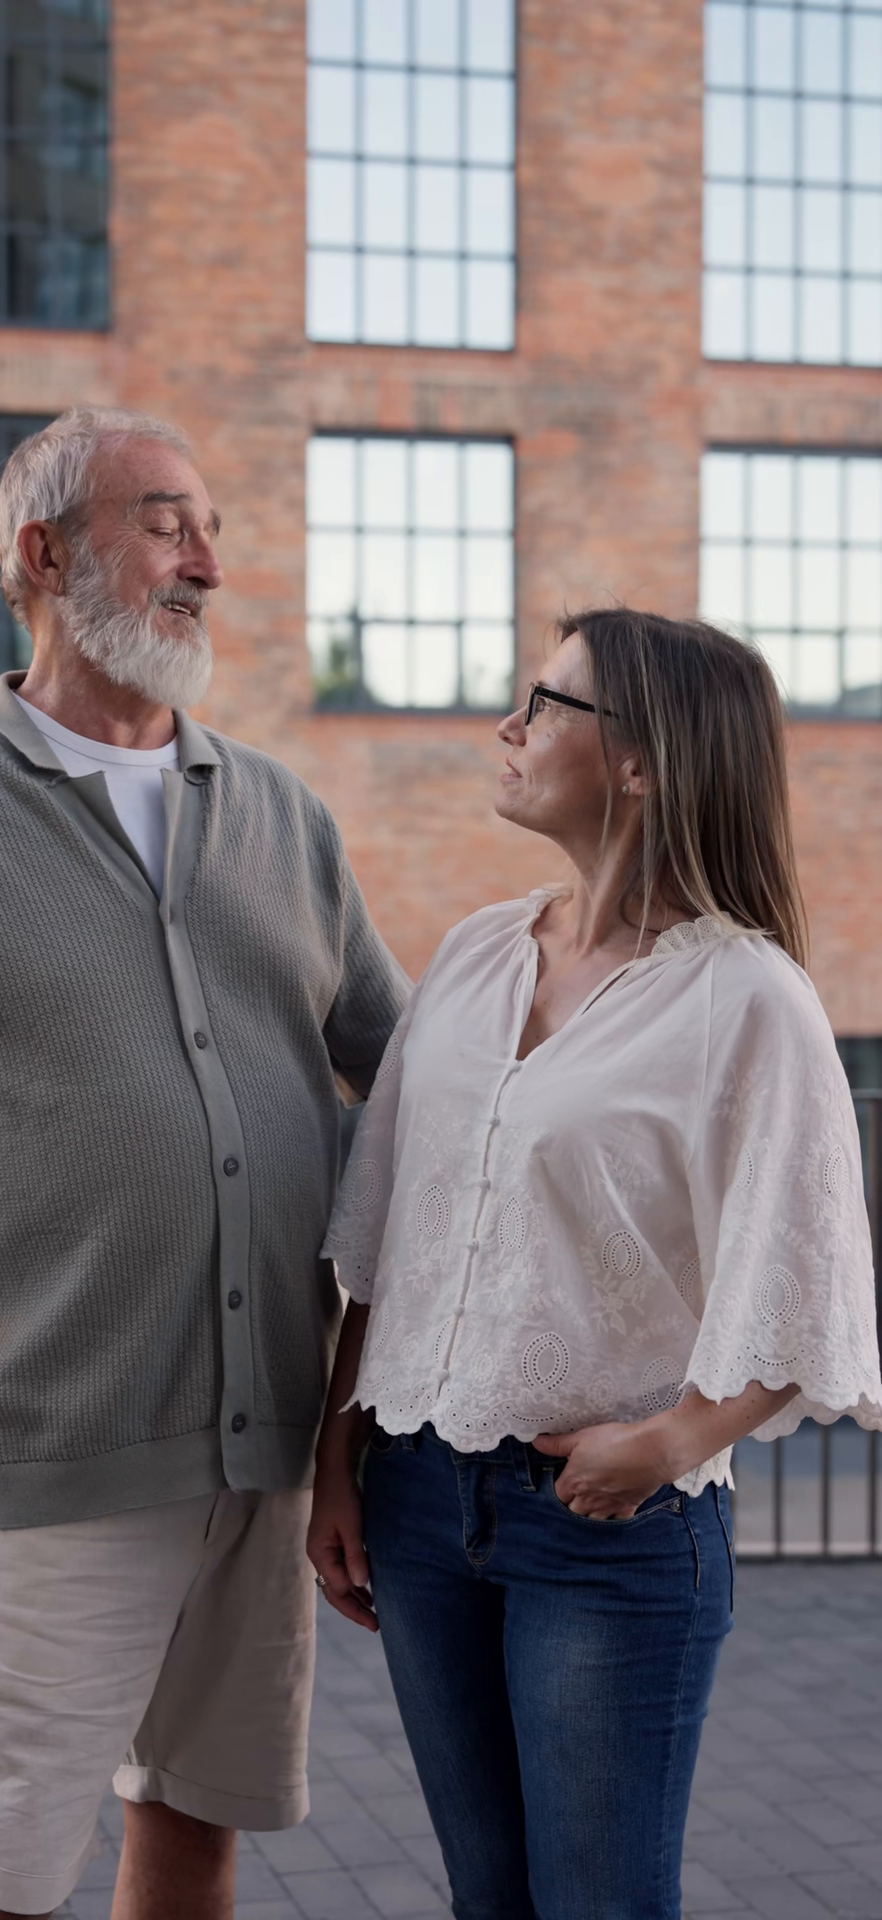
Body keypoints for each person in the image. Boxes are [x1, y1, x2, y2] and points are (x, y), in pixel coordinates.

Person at [0, 406, 409, 1920]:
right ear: (44, 552)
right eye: (166, 522)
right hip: (54, 1457)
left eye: (208, 523)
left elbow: (411, 1081)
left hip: (263, 1461)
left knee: (195, 1830)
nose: (207, 558)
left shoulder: (281, 812)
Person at [308, 608, 882, 1920]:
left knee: (600, 1905)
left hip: (604, 1526)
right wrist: (335, 1464)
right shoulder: (470, 956)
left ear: (641, 762)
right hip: (412, 1502)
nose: (508, 728)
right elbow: (388, 1240)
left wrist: (671, 1442)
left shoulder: (751, 1002)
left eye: (545, 702)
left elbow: (813, 1290)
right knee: (489, 1901)